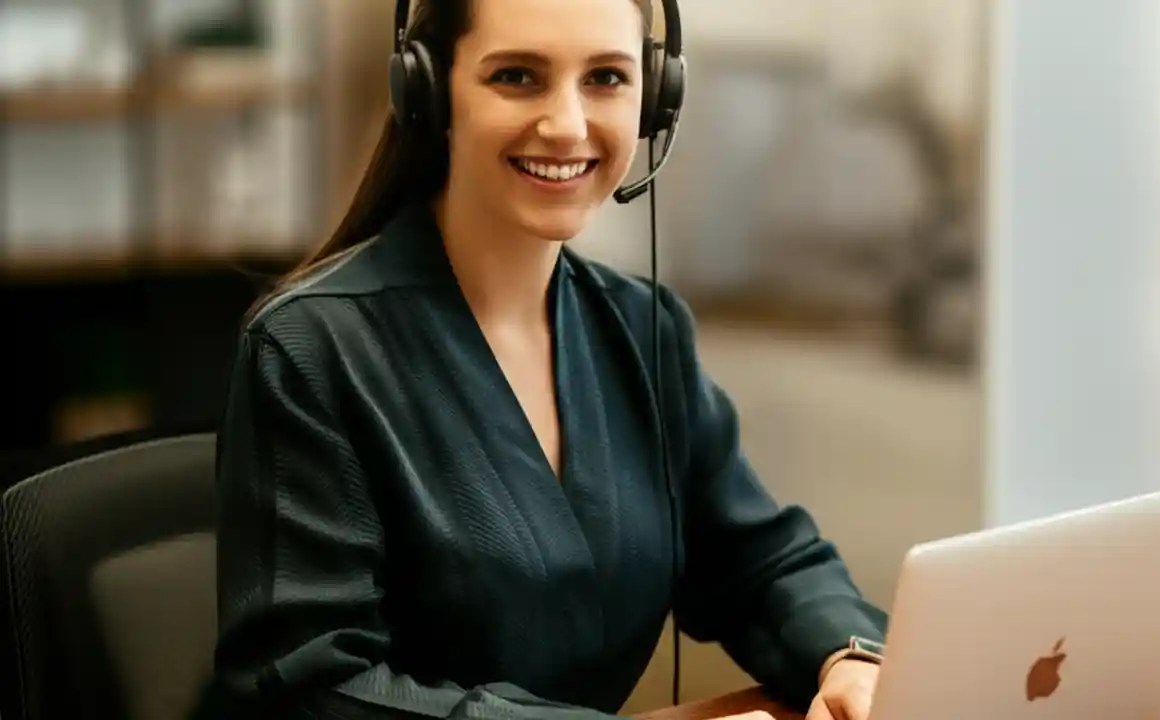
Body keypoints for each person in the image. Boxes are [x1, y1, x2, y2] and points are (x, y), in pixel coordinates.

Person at [211, 0, 889, 718]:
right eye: (516, 76)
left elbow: (759, 559)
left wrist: (847, 656)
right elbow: (315, 687)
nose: (567, 125)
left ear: (654, 98)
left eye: (605, 78)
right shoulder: (310, 349)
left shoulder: (644, 330)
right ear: (430, 91)